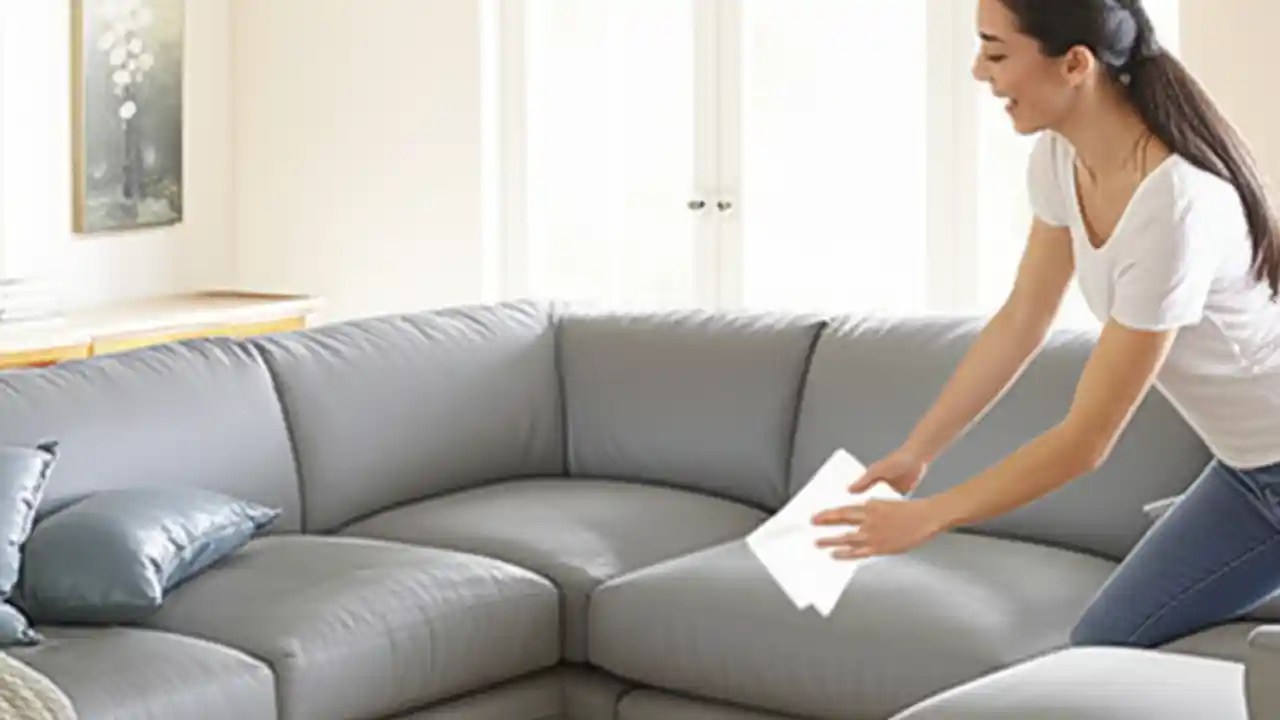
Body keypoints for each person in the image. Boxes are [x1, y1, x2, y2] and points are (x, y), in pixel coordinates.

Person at [811, 0, 1280, 649]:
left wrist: (930, 518)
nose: (980, 71)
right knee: (1105, 638)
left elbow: (1087, 440)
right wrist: (917, 453)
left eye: (997, 52)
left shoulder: (1174, 205)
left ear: (1075, 64)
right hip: (1245, 470)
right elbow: (1022, 318)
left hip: (1271, 470)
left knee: (1107, 643)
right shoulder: (1062, 159)